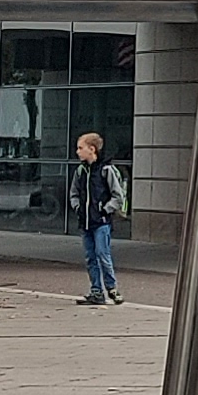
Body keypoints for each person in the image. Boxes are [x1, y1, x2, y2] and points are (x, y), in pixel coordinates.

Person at [63, 129, 124, 304]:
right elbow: (74, 192)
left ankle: (111, 288)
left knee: (102, 254)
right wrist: (77, 208)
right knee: (90, 257)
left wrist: (105, 209)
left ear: (92, 149)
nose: (77, 151)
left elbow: (118, 196)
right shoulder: (81, 171)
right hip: (86, 222)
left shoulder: (106, 170)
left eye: (80, 147)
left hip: (101, 221)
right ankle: (96, 291)